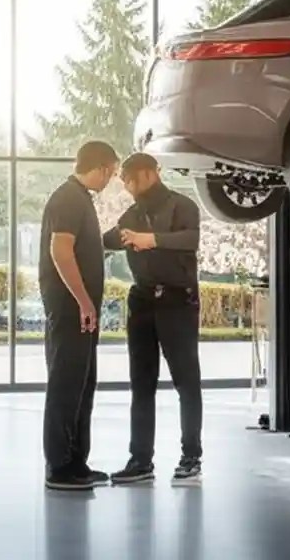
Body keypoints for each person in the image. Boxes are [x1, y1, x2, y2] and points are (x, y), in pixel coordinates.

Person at [103, 153, 204, 486]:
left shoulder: (183, 205)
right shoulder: (131, 215)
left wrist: (153, 240)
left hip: (178, 302)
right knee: (141, 385)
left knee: (186, 382)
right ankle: (140, 460)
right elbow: (105, 240)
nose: (126, 186)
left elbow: (191, 239)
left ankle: (191, 458)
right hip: (142, 302)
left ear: (147, 175)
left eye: (128, 180)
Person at [41, 140, 120, 490]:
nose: (110, 181)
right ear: (101, 168)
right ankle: (59, 467)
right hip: (71, 309)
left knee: (82, 384)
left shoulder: (79, 199)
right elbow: (60, 251)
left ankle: (76, 462)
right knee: (66, 384)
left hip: (81, 312)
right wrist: (85, 302)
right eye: (112, 173)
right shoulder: (69, 198)